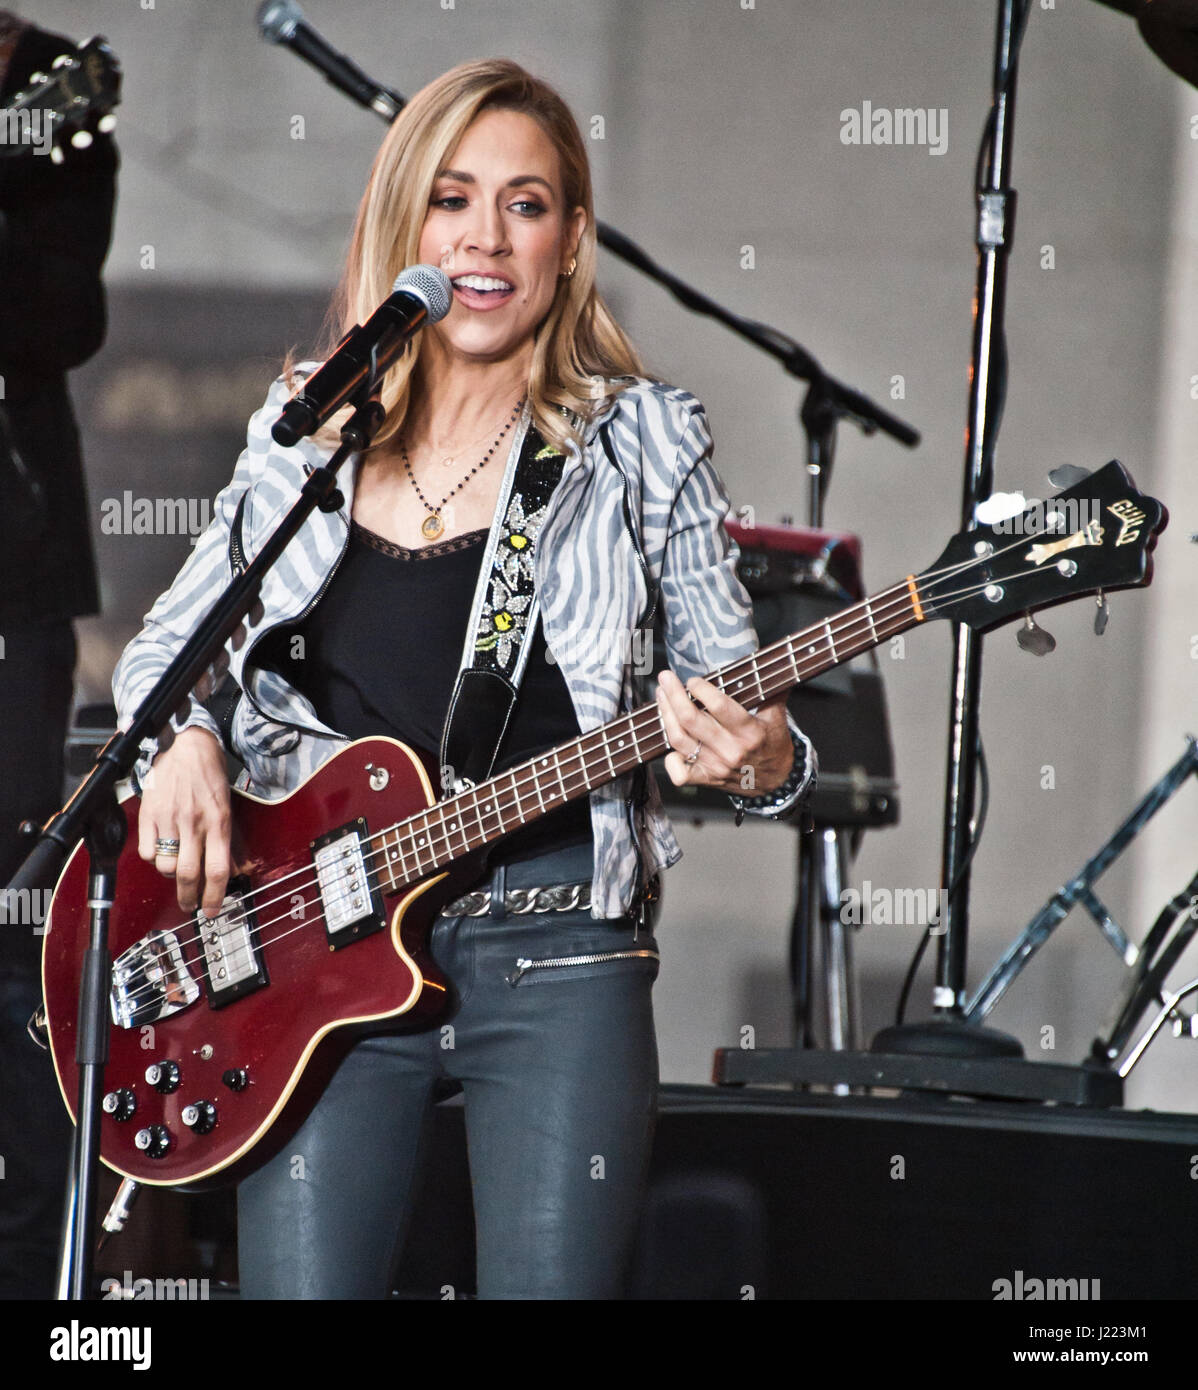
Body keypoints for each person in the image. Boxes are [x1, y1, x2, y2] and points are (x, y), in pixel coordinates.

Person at [112, 58, 815, 1300]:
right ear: (405, 227)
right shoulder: (307, 432)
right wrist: (183, 741)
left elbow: (743, 705)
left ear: (572, 238)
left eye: (526, 203)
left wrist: (760, 758)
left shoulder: (640, 439)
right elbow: (166, 649)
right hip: (315, 953)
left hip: (558, 959)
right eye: (452, 199)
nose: (485, 237)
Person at [0, 11, 116, 1299]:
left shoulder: (49, 96)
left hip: (8, 578)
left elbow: (58, 318)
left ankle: (30, 1275)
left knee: (12, 913)